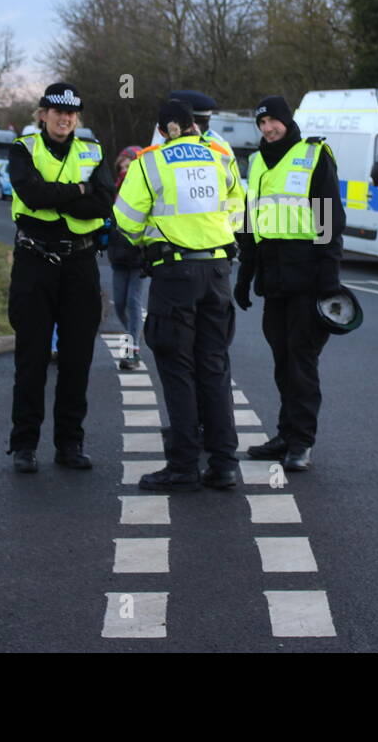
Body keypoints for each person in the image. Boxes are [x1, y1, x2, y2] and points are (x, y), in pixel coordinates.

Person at [114, 97, 244, 491]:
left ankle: (184, 464)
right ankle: (223, 464)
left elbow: (126, 218)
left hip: (174, 275)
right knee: (215, 366)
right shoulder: (220, 156)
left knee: (177, 367)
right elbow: (239, 210)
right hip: (218, 271)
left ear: (166, 128)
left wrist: (148, 239)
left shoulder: (150, 161)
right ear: (193, 125)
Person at [6, 82, 115, 474]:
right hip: (34, 261)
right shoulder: (24, 150)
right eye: (57, 112)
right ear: (42, 114)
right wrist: (80, 191)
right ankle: (24, 444)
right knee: (31, 358)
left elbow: (104, 201)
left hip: (80, 263)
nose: (65, 119)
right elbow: (32, 195)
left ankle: (70, 443)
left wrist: (63, 193)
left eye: (71, 113)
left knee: (77, 359)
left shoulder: (93, 151)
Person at [234, 95, 345, 472]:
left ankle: (301, 443)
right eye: (261, 123)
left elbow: (329, 221)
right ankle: (286, 433)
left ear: (287, 120)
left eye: (273, 121)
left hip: (308, 278)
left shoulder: (314, 155)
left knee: (301, 363)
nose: (268, 129)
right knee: (282, 361)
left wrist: (330, 279)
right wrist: (244, 276)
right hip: (273, 278)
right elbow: (250, 223)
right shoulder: (258, 162)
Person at [108, 145, 147, 370]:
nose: (125, 170)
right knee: (120, 303)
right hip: (118, 254)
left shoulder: (143, 188)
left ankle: (132, 349)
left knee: (133, 302)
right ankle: (134, 334)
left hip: (139, 254)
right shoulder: (114, 189)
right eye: (122, 166)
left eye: (129, 165)